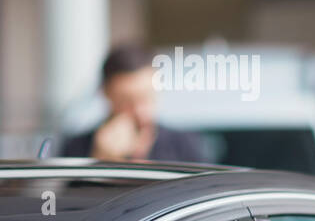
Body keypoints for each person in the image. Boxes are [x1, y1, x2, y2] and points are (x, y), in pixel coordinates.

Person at [56, 43, 209, 162]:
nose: (139, 110)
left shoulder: (183, 146)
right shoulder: (77, 148)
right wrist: (101, 159)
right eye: (126, 101)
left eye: (146, 97)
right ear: (106, 93)